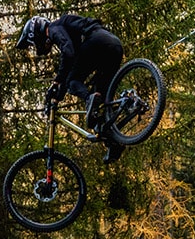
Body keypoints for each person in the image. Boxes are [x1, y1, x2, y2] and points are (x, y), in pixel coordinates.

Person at [16, 14, 126, 162]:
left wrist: (57, 81)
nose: (36, 47)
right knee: (100, 100)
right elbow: (72, 63)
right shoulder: (67, 29)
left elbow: (68, 53)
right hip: (114, 46)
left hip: (97, 43)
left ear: (36, 34)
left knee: (73, 82)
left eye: (33, 44)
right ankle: (115, 142)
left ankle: (89, 99)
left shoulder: (53, 28)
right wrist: (57, 96)